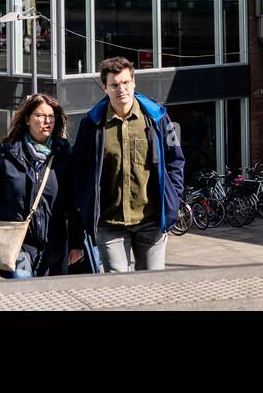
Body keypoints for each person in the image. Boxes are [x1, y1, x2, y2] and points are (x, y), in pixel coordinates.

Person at [72, 59, 184, 273]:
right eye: (114, 85)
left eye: (125, 82)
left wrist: (173, 199)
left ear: (134, 82)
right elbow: (79, 171)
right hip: (109, 223)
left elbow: (176, 160)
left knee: (152, 285)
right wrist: (85, 209)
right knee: (118, 285)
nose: (121, 89)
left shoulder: (158, 118)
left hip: (151, 221)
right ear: (104, 87)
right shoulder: (92, 124)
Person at [0, 93, 84, 278]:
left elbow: (74, 203)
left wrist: (76, 243)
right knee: (24, 291)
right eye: (40, 116)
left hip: (54, 245)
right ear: (27, 119)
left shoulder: (63, 154)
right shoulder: (8, 153)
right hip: (18, 243)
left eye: (51, 116)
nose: (47, 121)